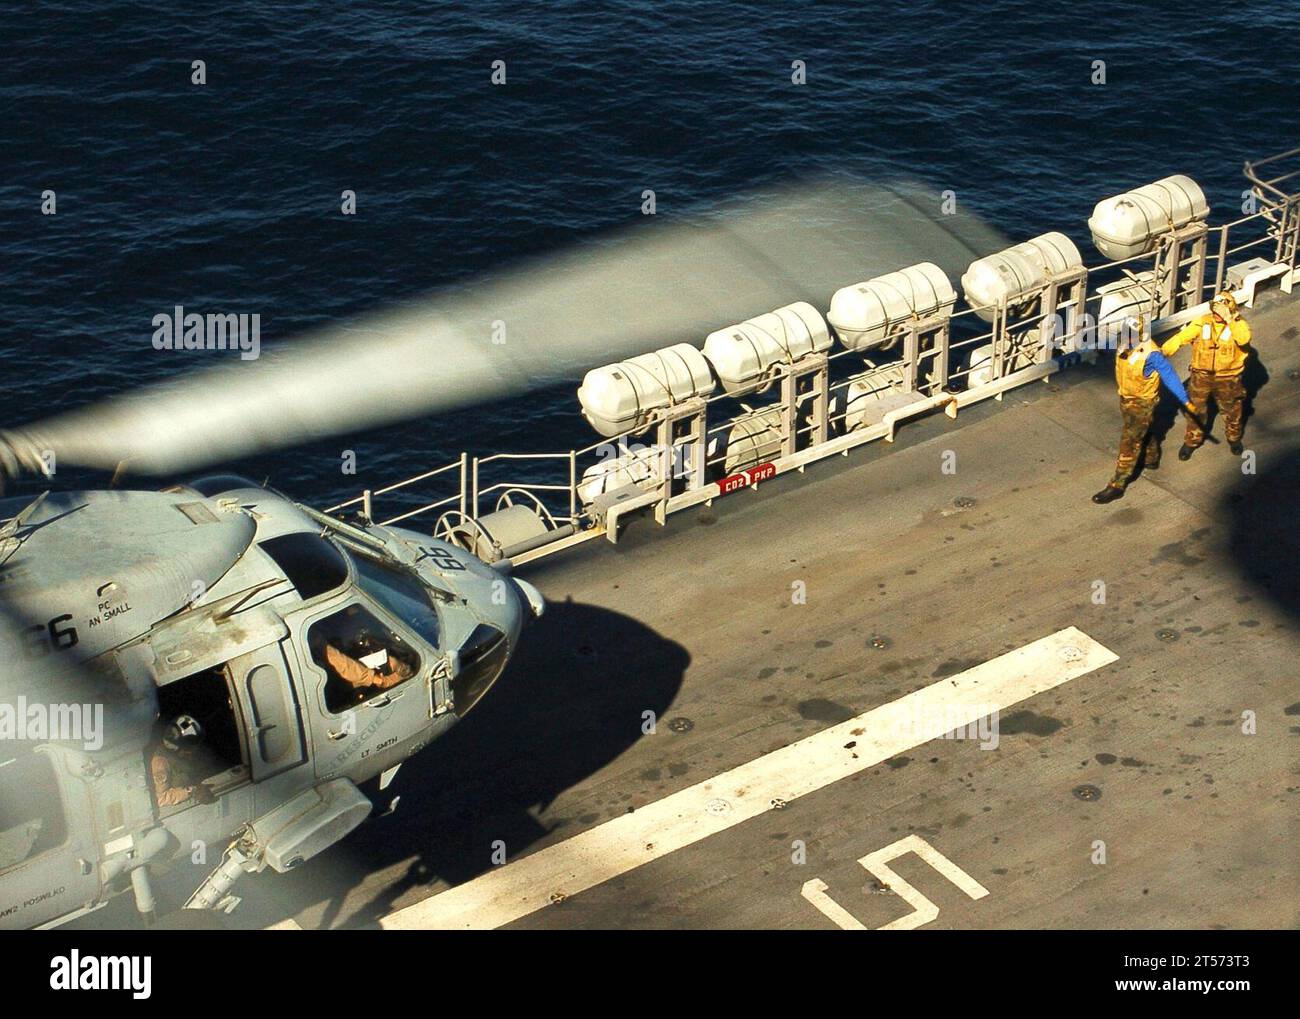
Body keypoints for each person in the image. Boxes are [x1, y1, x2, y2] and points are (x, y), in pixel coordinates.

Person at [1093, 317, 1195, 505]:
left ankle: (1117, 485)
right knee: (1142, 431)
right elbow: (1111, 349)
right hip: (1126, 397)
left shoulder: (1152, 354)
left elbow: (1170, 377)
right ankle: (1151, 457)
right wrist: (1098, 347)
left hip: (1142, 403)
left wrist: (1185, 401)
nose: (1126, 339)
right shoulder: (1123, 342)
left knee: (1130, 441)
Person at [1160, 290, 1252, 458]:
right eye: (1214, 310)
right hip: (1201, 376)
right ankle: (1192, 440)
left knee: (1232, 410)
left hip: (1228, 378)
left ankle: (1234, 438)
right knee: (1196, 410)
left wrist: (1229, 319)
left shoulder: (1239, 324)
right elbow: (1181, 338)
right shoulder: (1203, 322)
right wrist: (1161, 354)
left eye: (1221, 311)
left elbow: (1243, 339)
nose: (1216, 314)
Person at [150, 715, 216, 808]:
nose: (192, 751)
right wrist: (191, 791)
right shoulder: (160, 763)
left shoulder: (177, 757)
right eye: (190, 747)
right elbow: (161, 798)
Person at [324, 641, 414, 698]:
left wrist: (378, 680)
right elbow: (345, 666)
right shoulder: (323, 647)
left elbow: (384, 681)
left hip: (340, 682)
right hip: (334, 677)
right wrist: (372, 678)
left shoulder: (397, 668)